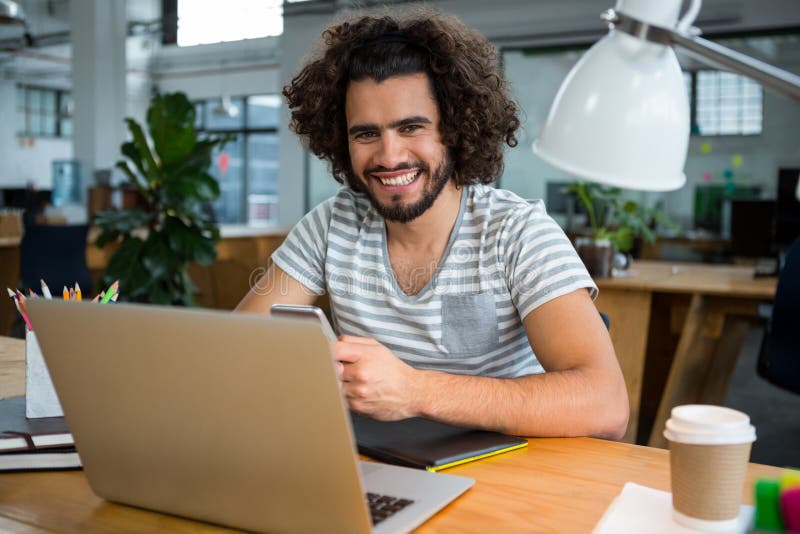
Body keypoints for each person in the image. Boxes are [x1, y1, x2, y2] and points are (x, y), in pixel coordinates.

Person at [236, 8, 629, 439]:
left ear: (455, 128)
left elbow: (606, 404)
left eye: (411, 127)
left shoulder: (518, 232)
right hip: (375, 470)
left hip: (509, 476)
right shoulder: (331, 225)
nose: (389, 156)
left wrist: (414, 390)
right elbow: (238, 349)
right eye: (366, 134)